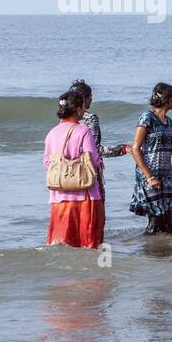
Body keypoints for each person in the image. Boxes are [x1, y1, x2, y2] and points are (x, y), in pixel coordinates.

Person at [130, 83, 172, 235]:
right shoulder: (147, 118)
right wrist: (149, 176)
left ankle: (165, 255)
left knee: (168, 224)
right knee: (155, 222)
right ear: (167, 100)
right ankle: (150, 254)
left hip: (166, 177)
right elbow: (135, 149)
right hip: (150, 176)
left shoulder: (168, 122)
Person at [44, 89, 104, 248]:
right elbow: (93, 160)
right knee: (87, 244)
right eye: (83, 107)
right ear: (77, 109)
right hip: (85, 196)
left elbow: (46, 163)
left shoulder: (52, 133)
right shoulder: (83, 130)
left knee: (61, 242)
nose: (84, 110)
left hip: (59, 196)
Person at [68, 79, 106, 242]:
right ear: (85, 99)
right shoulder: (91, 119)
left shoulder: (65, 120)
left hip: (71, 171)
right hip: (90, 172)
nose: (92, 100)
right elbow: (95, 150)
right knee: (97, 214)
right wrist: (123, 149)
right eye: (90, 96)